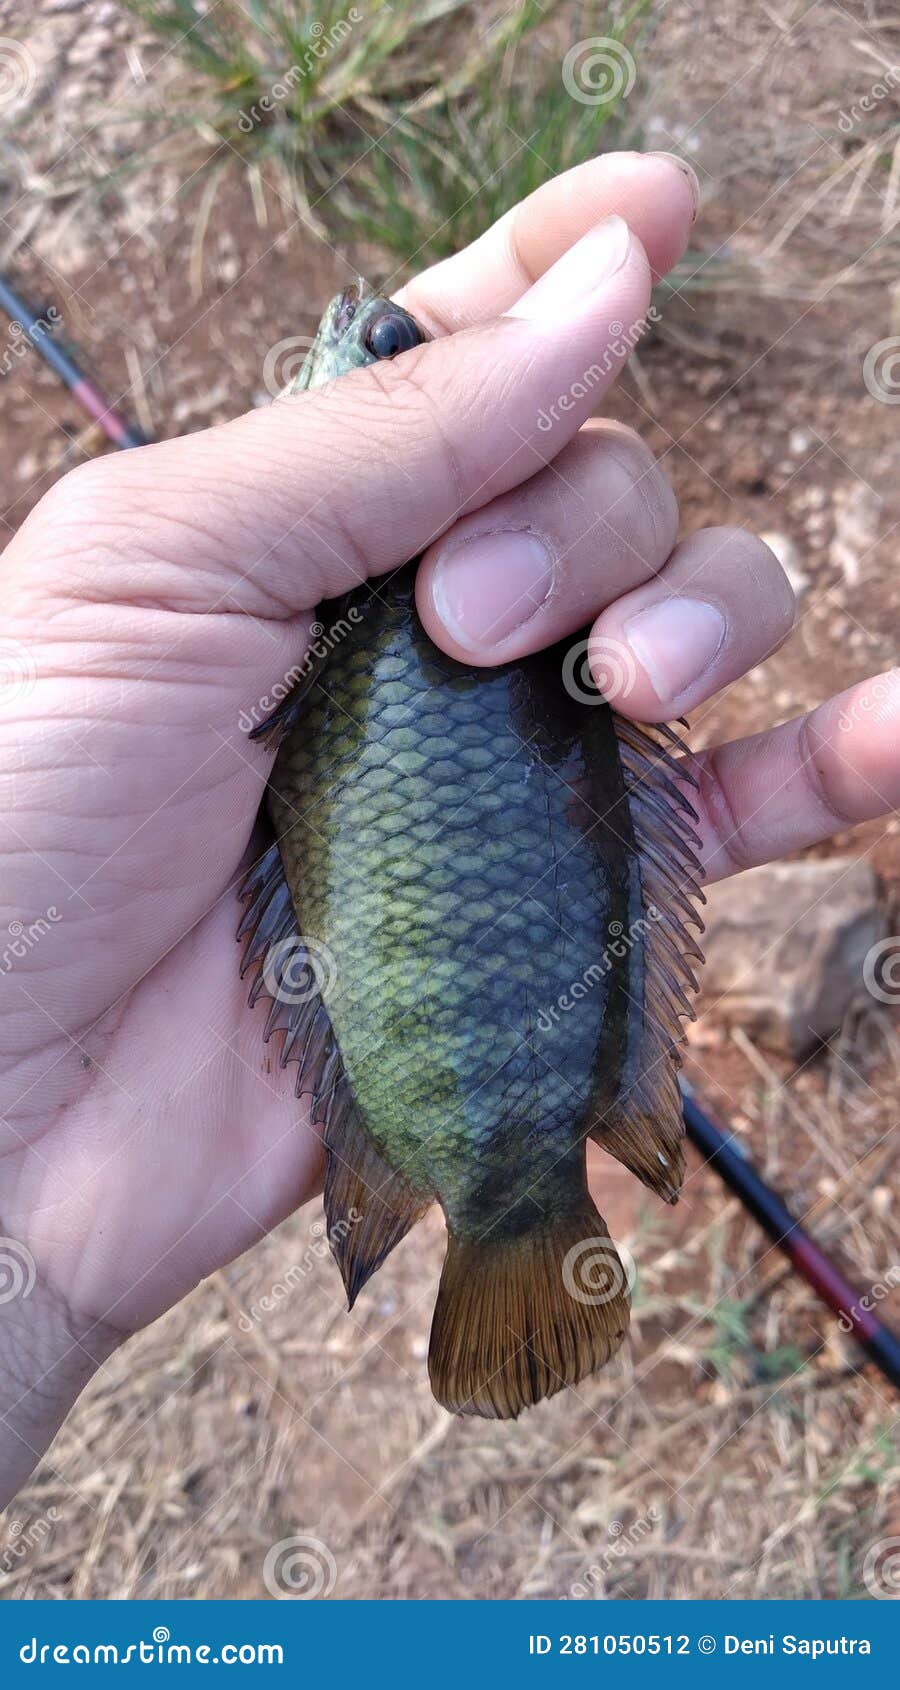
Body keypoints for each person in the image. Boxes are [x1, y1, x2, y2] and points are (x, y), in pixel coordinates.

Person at [0, 152, 895, 1507]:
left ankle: (514, 1188)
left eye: (396, 348)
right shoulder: (271, 591)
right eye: (392, 349)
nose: (377, 340)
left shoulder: (365, 592)